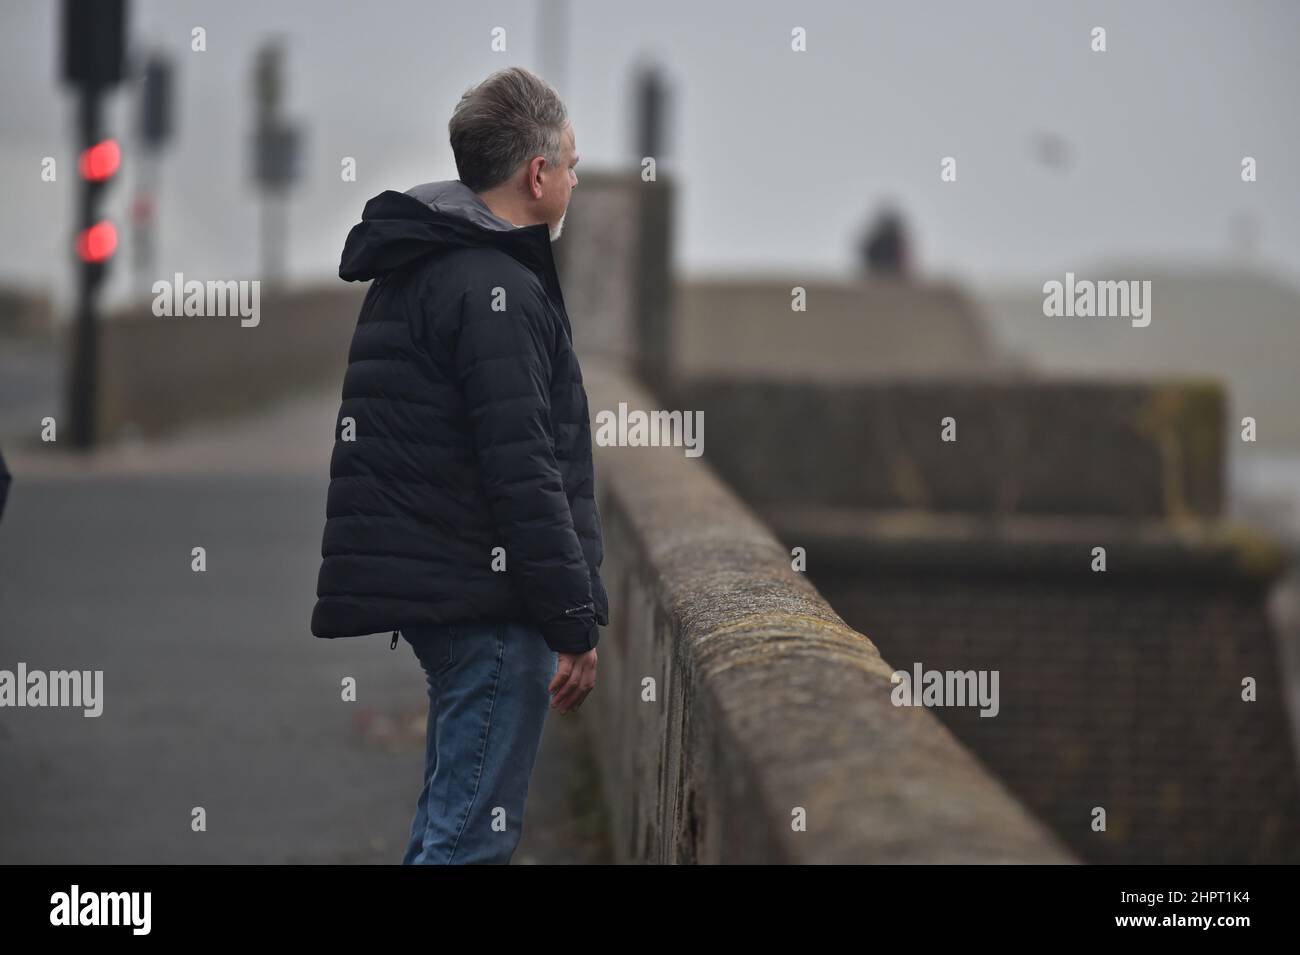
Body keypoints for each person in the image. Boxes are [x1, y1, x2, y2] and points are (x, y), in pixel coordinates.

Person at [310, 66, 608, 865]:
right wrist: (572, 618)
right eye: (572, 163)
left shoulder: (433, 259)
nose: (578, 180)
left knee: (451, 821)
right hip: (489, 604)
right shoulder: (493, 287)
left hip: (451, 588)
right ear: (536, 175)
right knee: (468, 840)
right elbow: (524, 472)